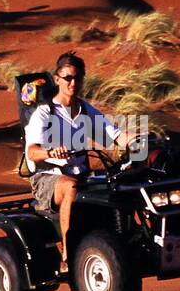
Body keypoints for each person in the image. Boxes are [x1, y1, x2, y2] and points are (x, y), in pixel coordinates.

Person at [24, 52, 125, 274]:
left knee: (121, 185)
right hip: (47, 179)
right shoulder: (44, 113)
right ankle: (67, 257)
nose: (73, 83)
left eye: (78, 78)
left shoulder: (85, 109)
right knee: (71, 186)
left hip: (81, 175)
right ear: (57, 79)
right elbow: (32, 152)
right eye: (68, 78)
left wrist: (140, 141)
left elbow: (115, 135)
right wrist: (51, 151)